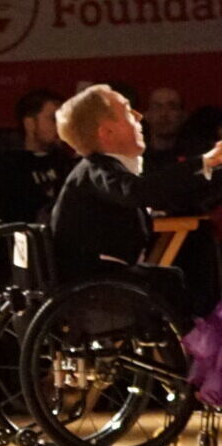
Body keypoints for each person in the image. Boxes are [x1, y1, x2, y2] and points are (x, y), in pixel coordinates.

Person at [50, 84, 222, 319]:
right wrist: (204, 163)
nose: (139, 117)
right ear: (106, 133)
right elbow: (138, 191)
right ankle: (198, 343)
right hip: (93, 284)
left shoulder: (108, 167)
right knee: (170, 282)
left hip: (107, 276)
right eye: (128, 112)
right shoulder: (96, 167)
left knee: (176, 275)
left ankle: (196, 340)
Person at [0, 89, 77, 224]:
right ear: (30, 123)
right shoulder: (10, 166)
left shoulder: (65, 162)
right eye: (53, 119)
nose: (60, 126)